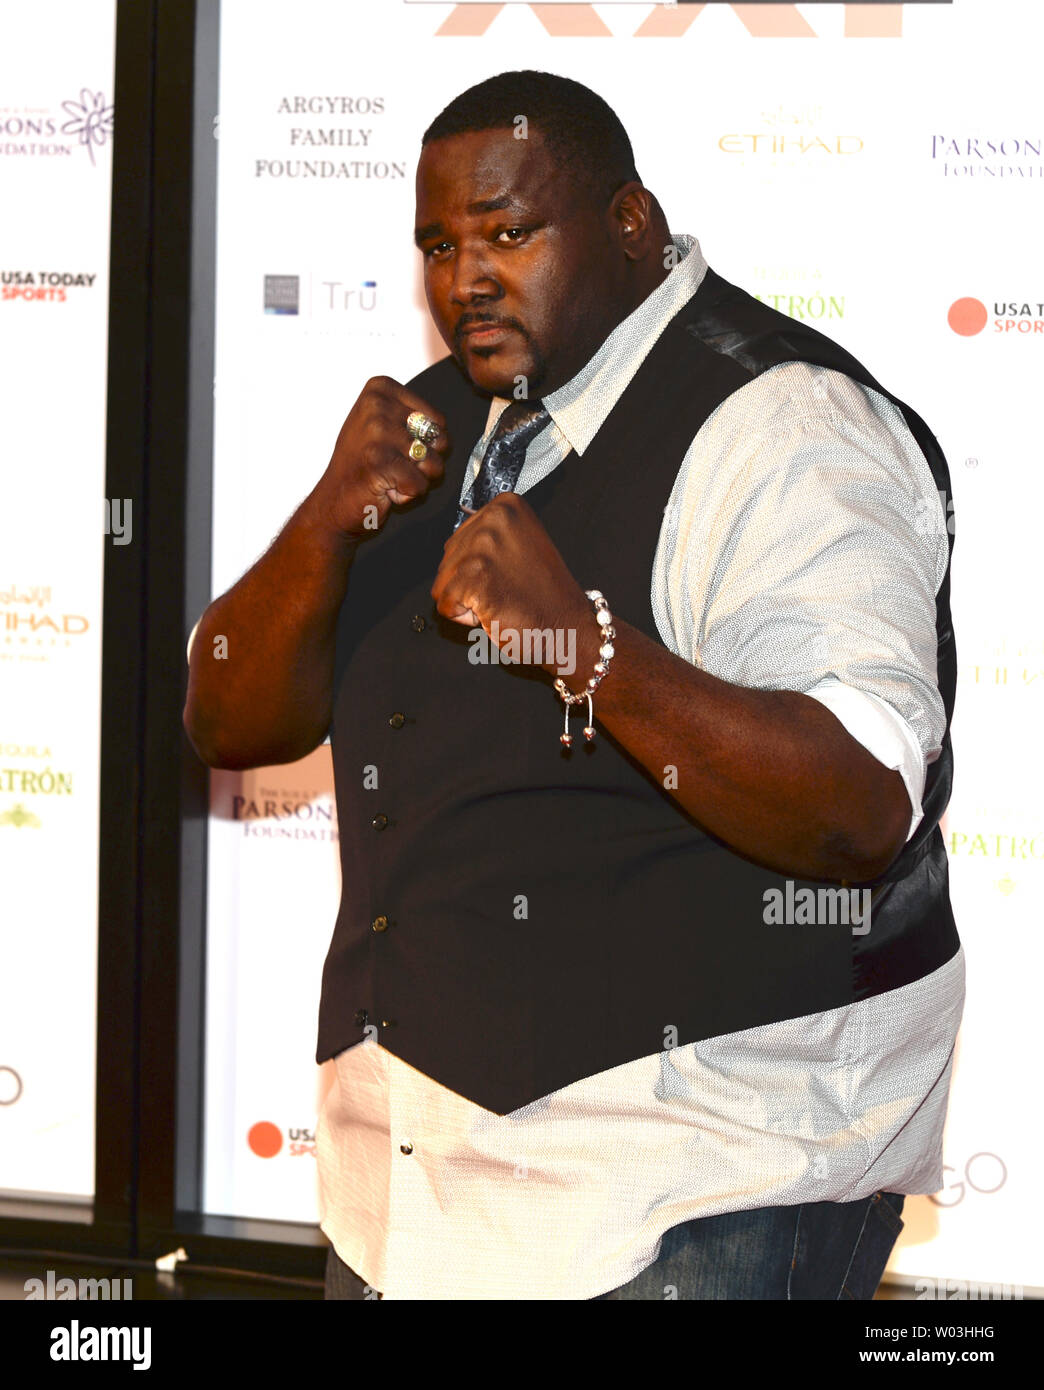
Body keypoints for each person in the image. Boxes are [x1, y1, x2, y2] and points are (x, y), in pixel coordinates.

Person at [184, 71, 963, 1301]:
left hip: (688, 1196)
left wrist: (585, 648)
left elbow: (859, 803)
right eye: (441, 245)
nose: (467, 279)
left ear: (631, 224)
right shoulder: (439, 424)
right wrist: (332, 518)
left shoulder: (783, 426)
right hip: (408, 1201)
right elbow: (226, 716)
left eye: (509, 232)